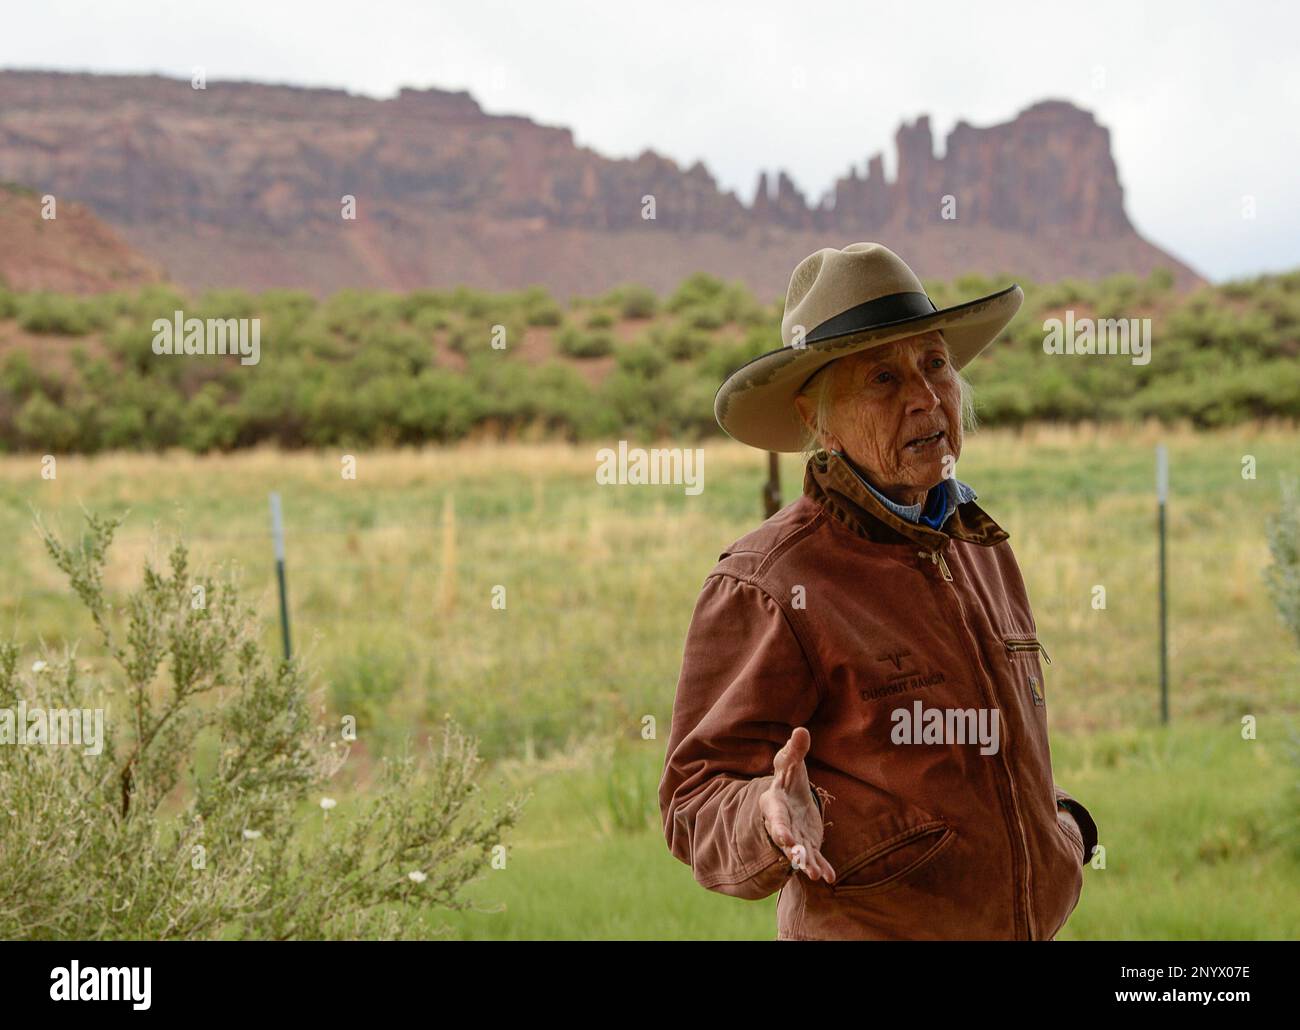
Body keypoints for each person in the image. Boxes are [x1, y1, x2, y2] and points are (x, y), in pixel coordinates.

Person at [658, 242, 1098, 940]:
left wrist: (1063, 825)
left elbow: (986, 758)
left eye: (935, 365)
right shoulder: (769, 583)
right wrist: (767, 816)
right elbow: (694, 798)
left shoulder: (977, 544)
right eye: (883, 379)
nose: (925, 398)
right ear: (818, 419)